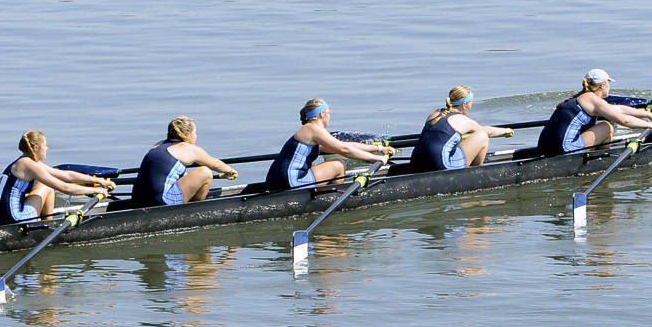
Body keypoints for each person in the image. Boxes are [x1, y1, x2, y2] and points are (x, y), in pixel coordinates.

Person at [0, 130, 115, 224]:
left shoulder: (25, 162)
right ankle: (47, 225)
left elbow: (66, 175)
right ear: (36, 147)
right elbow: (65, 187)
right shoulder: (29, 165)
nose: (47, 148)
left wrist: (98, 180)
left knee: (43, 185)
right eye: (45, 145)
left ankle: (45, 222)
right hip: (13, 218)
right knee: (47, 187)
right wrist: (96, 190)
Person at [264, 99, 394, 191]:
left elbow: (345, 145)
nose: (330, 117)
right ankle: (334, 198)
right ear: (322, 114)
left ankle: (325, 193)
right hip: (290, 182)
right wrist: (376, 158)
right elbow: (344, 150)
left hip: (274, 180)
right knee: (338, 164)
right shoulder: (314, 129)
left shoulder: (308, 131)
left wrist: (379, 148)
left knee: (330, 162)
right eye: (329, 113)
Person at [537, 69, 652, 155]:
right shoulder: (592, 99)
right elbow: (623, 120)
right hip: (564, 149)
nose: (609, 86)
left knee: (605, 122)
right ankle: (599, 159)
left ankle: (594, 154)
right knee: (606, 126)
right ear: (603, 85)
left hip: (544, 147)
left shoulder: (583, 97)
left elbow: (618, 109)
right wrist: (649, 125)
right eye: (609, 83)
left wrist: (649, 115)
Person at [129, 116, 241, 208]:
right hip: (162, 202)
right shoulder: (187, 148)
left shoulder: (158, 145)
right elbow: (215, 164)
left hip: (137, 200)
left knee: (184, 175)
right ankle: (194, 210)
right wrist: (230, 170)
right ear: (187, 135)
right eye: (195, 132)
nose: (196, 136)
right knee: (205, 172)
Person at [407, 86, 515, 173]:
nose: (470, 107)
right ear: (464, 105)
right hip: (441, 167)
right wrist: (505, 131)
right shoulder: (462, 120)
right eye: (471, 104)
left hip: (416, 163)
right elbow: (487, 131)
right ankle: (476, 174)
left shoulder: (434, 114)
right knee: (482, 136)